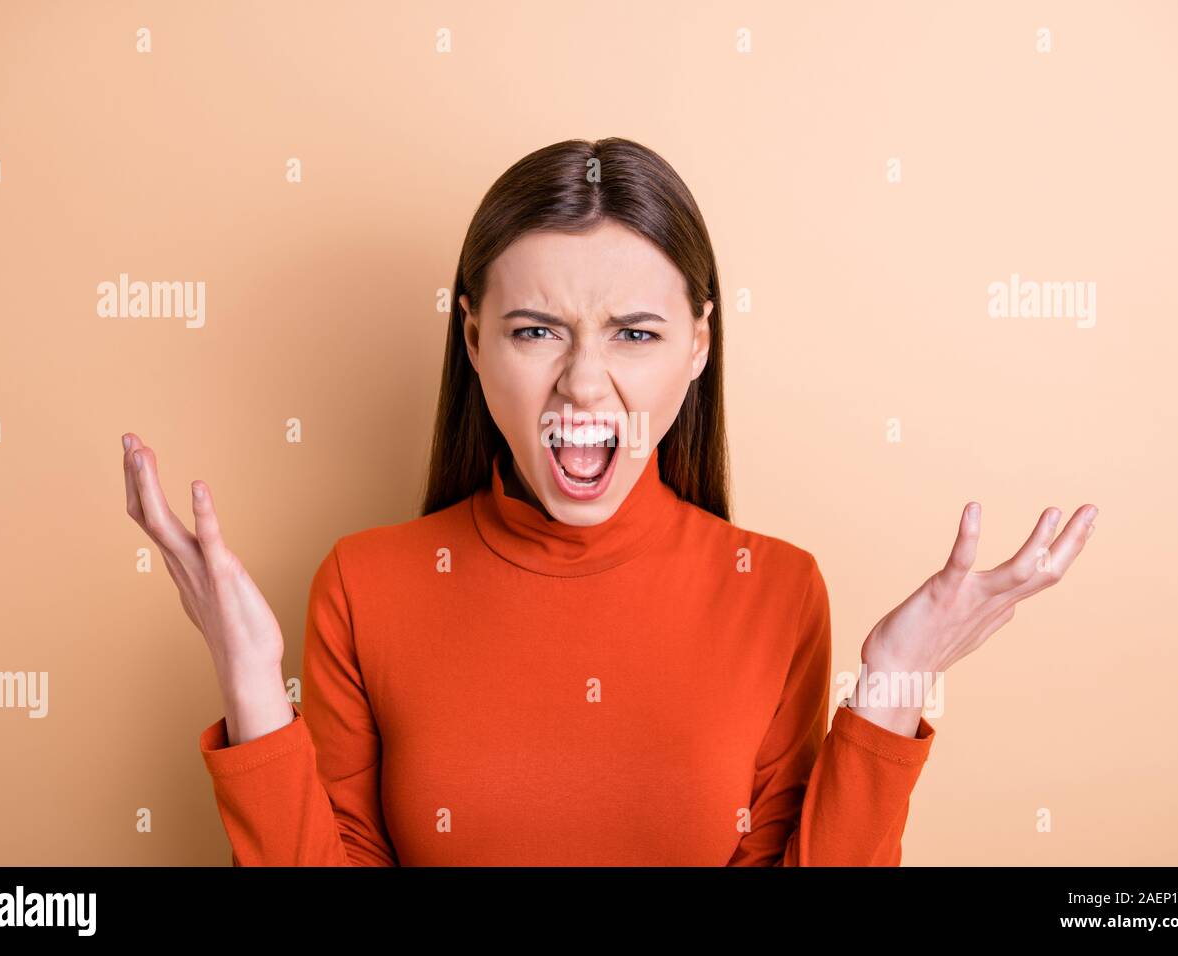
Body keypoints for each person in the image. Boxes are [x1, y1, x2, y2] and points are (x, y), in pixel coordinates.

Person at [120, 137, 1098, 866]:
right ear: (471, 338)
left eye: (633, 332)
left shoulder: (777, 589)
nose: (584, 385)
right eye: (536, 329)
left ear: (699, 346)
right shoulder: (363, 583)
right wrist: (253, 689)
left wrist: (894, 683)